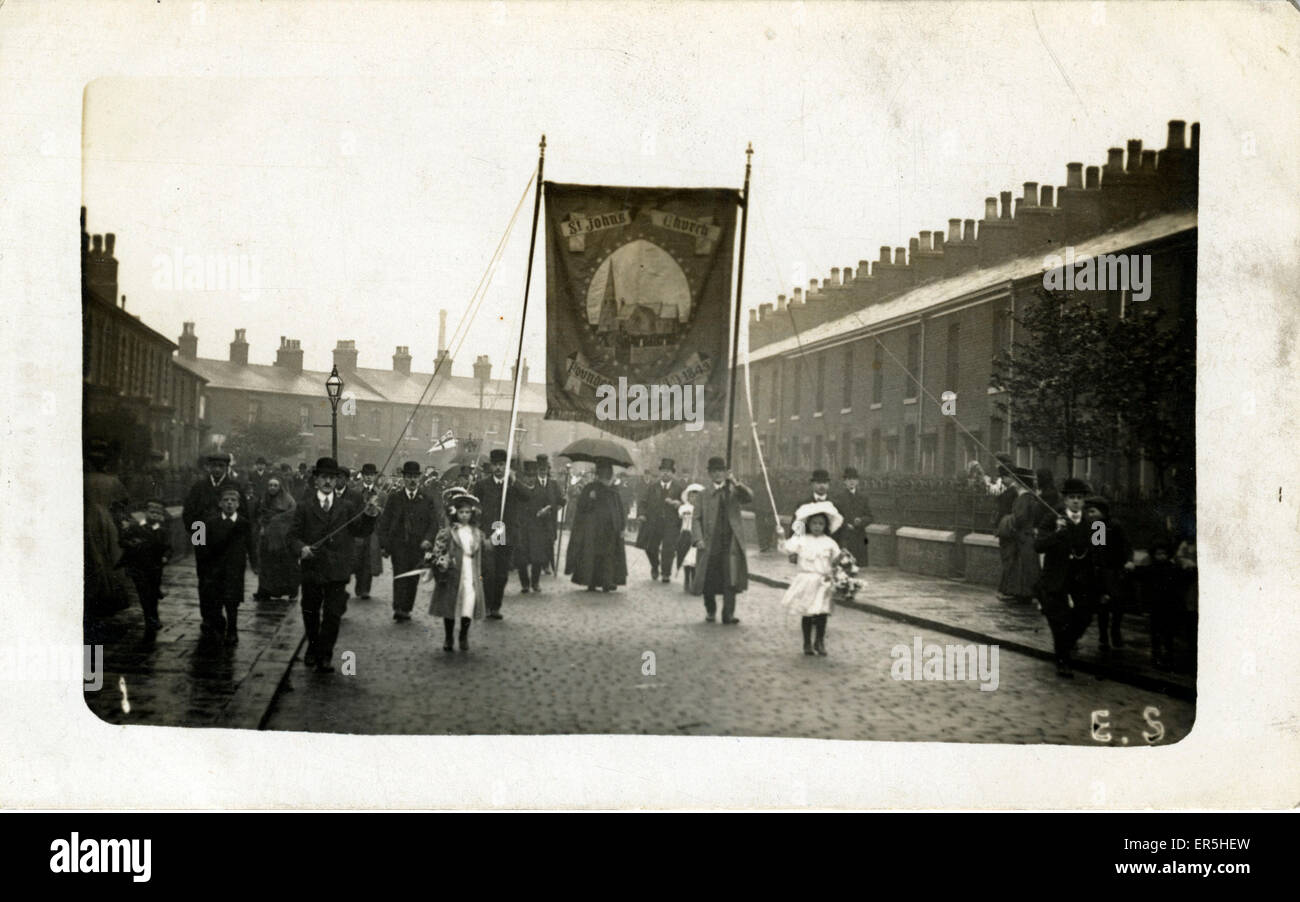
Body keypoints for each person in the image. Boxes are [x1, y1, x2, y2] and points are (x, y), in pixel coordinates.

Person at [287, 457, 382, 672]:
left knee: (333, 613)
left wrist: (369, 515)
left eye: (332, 477)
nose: (328, 482)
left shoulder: (347, 507)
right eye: (324, 478)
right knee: (310, 611)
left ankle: (325, 654)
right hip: (312, 567)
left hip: (338, 569)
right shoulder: (304, 506)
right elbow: (292, 536)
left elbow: (361, 531)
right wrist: (301, 548)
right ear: (316, 481)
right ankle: (312, 646)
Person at [1034, 477, 1098, 677]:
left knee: (1084, 617)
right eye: (1072, 498)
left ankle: (1065, 646)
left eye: (1080, 498)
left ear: (1084, 501)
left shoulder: (1096, 525)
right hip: (1055, 579)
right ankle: (1063, 661)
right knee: (1059, 620)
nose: (1076, 502)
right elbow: (1038, 545)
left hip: (1081, 579)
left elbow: (1101, 551)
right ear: (1065, 500)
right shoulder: (1052, 519)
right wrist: (1058, 533)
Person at [691, 457, 753, 624]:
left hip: (730, 542)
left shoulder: (733, 491)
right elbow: (696, 518)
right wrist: (698, 539)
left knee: (730, 578)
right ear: (710, 474)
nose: (718, 474)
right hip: (710, 543)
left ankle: (728, 614)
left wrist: (735, 482)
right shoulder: (703, 495)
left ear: (726, 473)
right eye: (715, 471)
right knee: (708, 578)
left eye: (721, 471)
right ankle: (710, 610)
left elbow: (749, 497)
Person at [379, 461, 441, 622]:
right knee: (399, 574)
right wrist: (384, 544)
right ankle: (398, 607)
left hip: (418, 545)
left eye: (415, 477)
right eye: (409, 477)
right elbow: (385, 521)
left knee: (413, 577)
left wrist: (428, 539)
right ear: (403, 478)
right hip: (399, 544)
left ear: (419, 478)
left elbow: (434, 523)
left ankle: (406, 608)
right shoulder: (394, 498)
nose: (412, 480)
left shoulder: (426, 499)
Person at [194, 486, 258, 645]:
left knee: (232, 600)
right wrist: (204, 564)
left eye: (233, 500)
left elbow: (251, 544)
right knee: (215, 598)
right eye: (226, 500)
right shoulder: (210, 522)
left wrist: (255, 564)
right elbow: (199, 544)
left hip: (235, 567)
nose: (229, 503)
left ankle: (232, 630)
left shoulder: (244, 523)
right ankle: (218, 627)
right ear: (220, 504)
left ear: (238, 504)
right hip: (215, 568)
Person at [474, 448, 530, 618]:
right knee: (488, 572)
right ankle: (488, 604)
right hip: (489, 535)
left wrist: (514, 481)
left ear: (506, 466)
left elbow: (527, 496)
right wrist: (480, 531)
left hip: (507, 534)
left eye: (501, 465)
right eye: (495, 465)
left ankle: (496, 606)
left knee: (502, 573)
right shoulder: (482, 485)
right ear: (491, 466)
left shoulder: (512, 484)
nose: (498, 468)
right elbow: (474, 508)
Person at [782, 502, 843, 656]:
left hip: (823, 581)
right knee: (807, 612)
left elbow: (836, 560)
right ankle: (807, 642)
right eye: (814, 523)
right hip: (806, 580)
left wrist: (840, 562)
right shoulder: (801, 539)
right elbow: (786, 548)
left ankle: (820, 641)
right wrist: (779, 535)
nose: (817, 526)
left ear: (825, 526)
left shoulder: (830, 542)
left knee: (822, 612)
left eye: (821, 524)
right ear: (809, 524)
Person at [429, 492, 487, 652]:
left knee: (468, 604)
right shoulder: (449, 532)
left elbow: (488, 546)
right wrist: (441, 560)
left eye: (467, 512)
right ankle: (448, 637)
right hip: (454, 573)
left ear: (472, 513)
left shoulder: (476, 532)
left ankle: (463, 635)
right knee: (450, 604)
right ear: (455, 513)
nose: (464, 516)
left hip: (471, 572)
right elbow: (438, 550)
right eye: (461, 512)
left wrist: (499, 533)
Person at [564, 460, 628, 592]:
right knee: (592, 556)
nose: (605, 480)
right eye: (603, 476)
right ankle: (591, 581)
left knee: (608, 557)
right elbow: (581, 508)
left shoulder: (613, 491)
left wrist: (622, 527)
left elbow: (619, 510)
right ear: (598, 476)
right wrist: (590, 499)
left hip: (609, 531)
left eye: (607, 477)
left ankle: (607, 582)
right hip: (593, 530)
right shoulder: (590, 489)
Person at [118, 497, 172, 635]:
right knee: (144, 593)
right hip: (138, 566)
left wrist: (165, 556)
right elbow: (122, 540)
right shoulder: (136, 527)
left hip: (155, 567)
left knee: (153, 593)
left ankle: (154, 616)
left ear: (161, 515)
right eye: (151, 511)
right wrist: (132, 543)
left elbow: (168, 547)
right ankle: (150, 619)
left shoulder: (162, 531)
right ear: (146, 512)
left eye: (157, 512)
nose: (154, 514)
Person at [1086, 496, 1133, 651]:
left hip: (1116, 570)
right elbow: (1097, 550)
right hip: (1103, 572)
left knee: (1118, 604)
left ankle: (1115, 631)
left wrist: (1129, 560)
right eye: (1089, 512)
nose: (1090, 515)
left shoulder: (1115, 525)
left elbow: (1126, 545)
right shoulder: (1098, 526)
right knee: (1103, 606)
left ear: (1103, 511)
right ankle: (1103, 636)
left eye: (1093, 511)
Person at [635, 458, 685, 583]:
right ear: (660, 472)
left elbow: (686, 502)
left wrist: (679, 504)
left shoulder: (679, 488)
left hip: (671, 523)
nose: (665, 473)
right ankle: (655, 566)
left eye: (668, 471)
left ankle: (666, 573)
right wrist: (641, 514)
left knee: (669, 548)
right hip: (654, 522)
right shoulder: (653, 486)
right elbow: (643, 502)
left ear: (672, 473)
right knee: (650, 547)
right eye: (663, 470)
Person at [253, 475, 299, 601]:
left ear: (280, 487)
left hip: (281, 538)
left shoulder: (288, 500)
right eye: (270, 485)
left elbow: (292, 514)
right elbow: (258, 513)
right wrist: (262, 524)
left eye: (275, 485)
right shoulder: (263, 499)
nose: (272, 488)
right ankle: (264, 590)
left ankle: (288, 590)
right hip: (266, 537)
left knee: (282, 565)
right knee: (266, 564)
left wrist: (276, 520)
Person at [999, 468, 1041, 605]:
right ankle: (1023, 593)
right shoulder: (1030, 497)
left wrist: (1009, 520)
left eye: (1015, 480)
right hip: (1026, 535)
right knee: (1025, 565)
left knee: (1021, 566)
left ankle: (1022, 593)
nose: (1013, 483)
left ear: (1019, 482)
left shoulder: (1023, 498)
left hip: (1022, 536)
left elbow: (1020, 518)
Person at [182, 451, 247, 533]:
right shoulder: (198, 487)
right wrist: (195, 532)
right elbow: (188, 512)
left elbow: (243, 513)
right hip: (201, 534)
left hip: (228, 536)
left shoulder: (235, 486)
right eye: (214, 465)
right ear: (209, 467)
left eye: (221, 466)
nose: (217, 469)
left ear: (226, 467)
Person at [513, 460, 552, 593]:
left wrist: (546, 511)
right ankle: (525, 583)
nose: (530, 478)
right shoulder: (517, 490)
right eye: (527, 476)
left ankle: (535, 583)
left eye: (532, 475)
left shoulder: (542, 490)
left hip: (538, 527)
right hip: (522, 527)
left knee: (537, 558)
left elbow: (549, 504)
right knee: (521, 558)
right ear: (523, 476)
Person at [1143, 539, 1182, 671]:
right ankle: (1156, 654)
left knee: (1168, 632)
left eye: (1163, 553)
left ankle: (1168, 655)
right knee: (1155, 632)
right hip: (1155, 605)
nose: (1161, 556)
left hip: (1169, 605)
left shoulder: (1173, 569)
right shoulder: (1150, 569)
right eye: (1158, 554)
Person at [351, 463, 385, 599]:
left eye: (371, 475)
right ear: (362, 475)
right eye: (366, 475)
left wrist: (376, 509)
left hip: (373, 532)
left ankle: (365, 589)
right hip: (357, 530)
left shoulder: (381, 494)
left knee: (369, 560)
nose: (369, 478)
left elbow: (385, 514)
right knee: (357, 558)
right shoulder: (354, 491)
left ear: (375, 476)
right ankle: (359, 584)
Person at [833, 467, 874, 566]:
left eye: (854, 479)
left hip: (859, 538)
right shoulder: (838, 497)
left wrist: (861, 521)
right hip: (844, 537)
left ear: (857, 481)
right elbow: (834, 517)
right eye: (848, 479)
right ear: (844, 481)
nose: (851, 481)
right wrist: (845, 525)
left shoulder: (863, 497)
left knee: (859, 567)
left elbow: (870, 516)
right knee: (843, 566)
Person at [534, 455, 566, 575]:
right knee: (537, 542)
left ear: (548, 470)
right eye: (540, 469)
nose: (542, 471)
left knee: (549, 542)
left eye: (544, 469)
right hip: (536, 519)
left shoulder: (553, 484)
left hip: (550, 520)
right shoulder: (533, 482)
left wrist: (563, 501)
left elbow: (559, 500)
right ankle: (537, 563)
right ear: (537, 470)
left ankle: (546, 565)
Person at [675, 483, 705, 592]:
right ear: (688, 497)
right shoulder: (684, 508)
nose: (694, 499)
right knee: (685, 558)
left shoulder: (702, 509)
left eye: (697, 497)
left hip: (696, 536)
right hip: (685, 534)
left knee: (694, 560)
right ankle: (686, 578)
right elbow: (681, 514)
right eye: (692, 496)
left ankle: (694, 580)